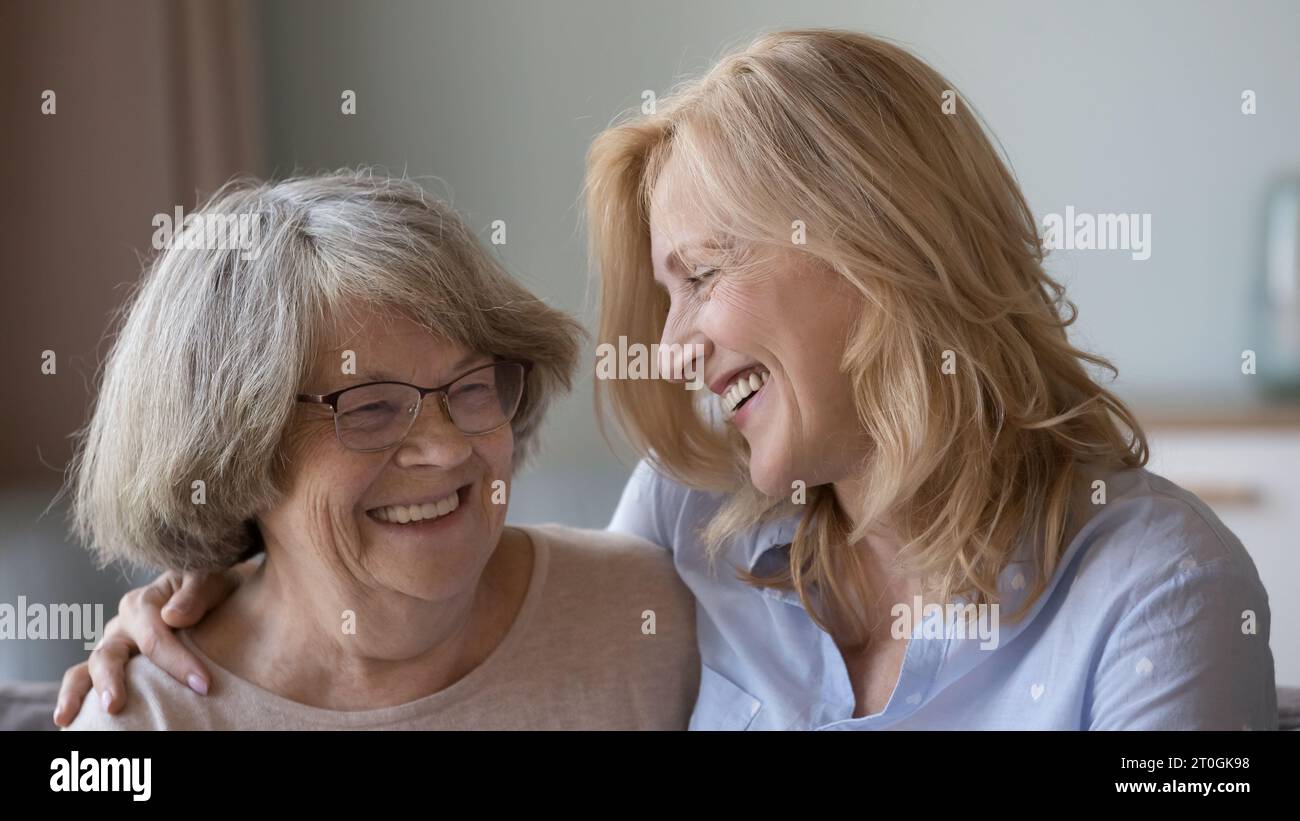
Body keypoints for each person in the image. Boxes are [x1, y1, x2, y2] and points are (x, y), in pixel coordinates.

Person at [59, 30, 1276, 730]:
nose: (676, 343)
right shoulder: (690, 520)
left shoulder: (1161, 590)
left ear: (872, 249)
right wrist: (225, 587)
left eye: (699, 275)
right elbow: (441, 622)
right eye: (667, 292)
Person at [61, 171, 698, 730]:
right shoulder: (139, 724)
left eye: (472, 387)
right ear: (235, 454)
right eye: (369, 407)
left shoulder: (650, 615)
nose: (447, 450)